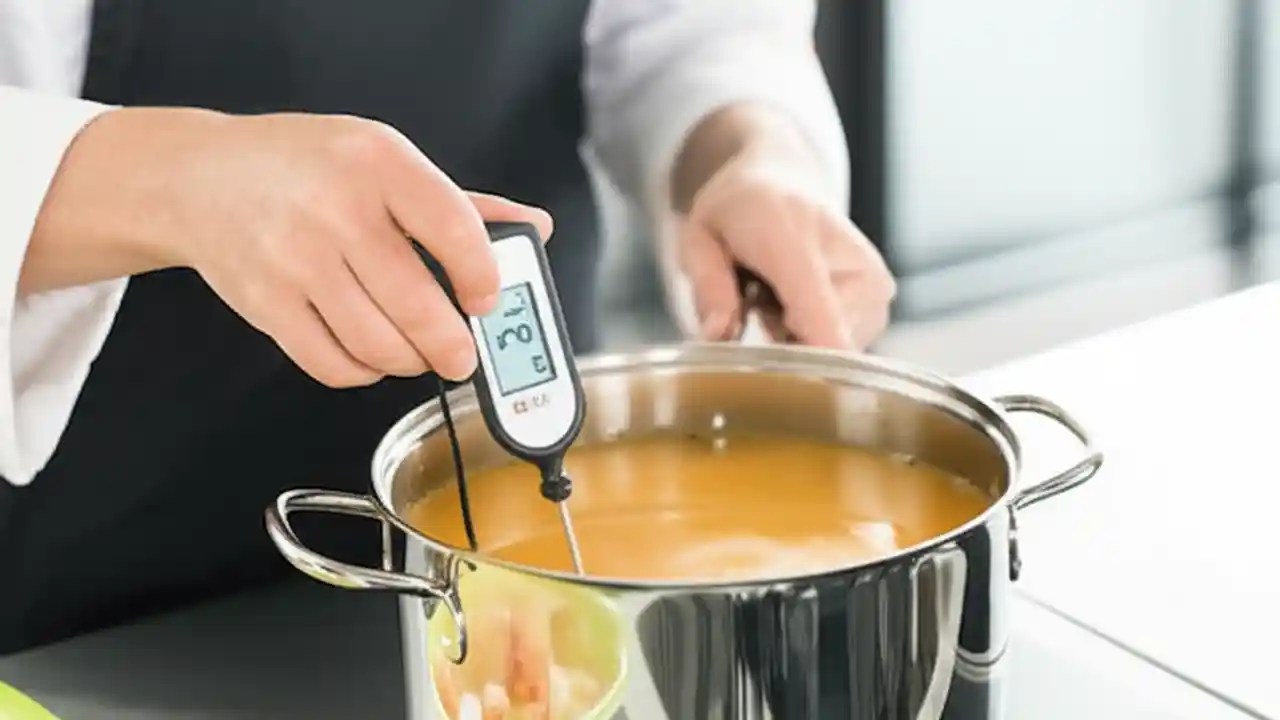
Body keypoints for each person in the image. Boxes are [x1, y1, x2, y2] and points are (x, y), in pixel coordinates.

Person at [0, 0, 895, 654]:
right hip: (78, 604)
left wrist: (745, 154)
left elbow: (691, 27)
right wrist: (175, 181)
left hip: (510, 527)